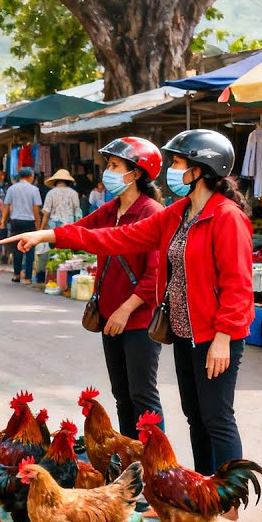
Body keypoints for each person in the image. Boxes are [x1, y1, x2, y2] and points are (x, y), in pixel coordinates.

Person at [4, 129, 253, 522]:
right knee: (195, 417)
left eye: (177, 163)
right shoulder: (179, 213)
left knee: (217, 417)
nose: (172, 171)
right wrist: (51, 234)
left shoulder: (226, 216)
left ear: (201, 169)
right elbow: (117, 237)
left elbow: (238, 282)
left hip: (216, 335)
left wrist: (225, 336)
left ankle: (226, 509)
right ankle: (200, 499)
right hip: (185, 331)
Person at [74, 138, 166, 443]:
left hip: (137, 320)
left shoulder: (150, 212)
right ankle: (131, 459)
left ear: (136, 173)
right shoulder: (110, 210)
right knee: (122, 395)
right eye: (108, 165)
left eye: (115, 166)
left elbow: (155, 274)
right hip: (108, 317)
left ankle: (156, 466)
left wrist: (126, 309)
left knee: (143, 395)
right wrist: (41, 235)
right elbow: (79, 232)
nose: (107, 172)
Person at [0, 167, 42, 284]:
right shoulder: (34, 190)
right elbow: (36, 209)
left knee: (16, 249)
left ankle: (16, 274)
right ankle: (28, 277)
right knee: (29, 249)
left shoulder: (12, 189)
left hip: (16, 222)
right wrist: (38, 225)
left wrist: (3, 221)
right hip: (29, 223)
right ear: (30, 176)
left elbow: (7, 206)